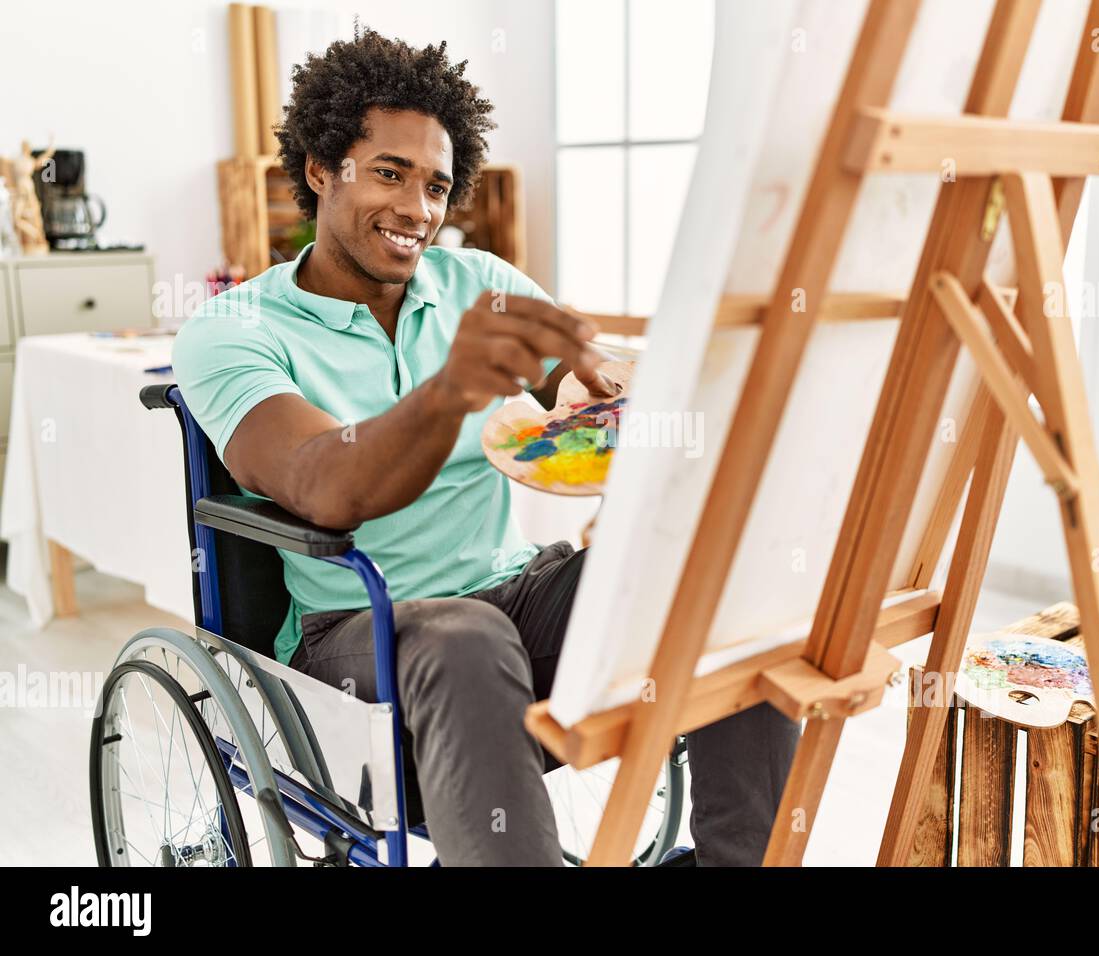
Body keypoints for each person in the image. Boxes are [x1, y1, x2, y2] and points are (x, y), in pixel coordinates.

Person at [173, 26, 798, 866]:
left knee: (711, 578)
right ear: (321, 169)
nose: (418, 211)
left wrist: (605, 400)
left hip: (512, 592)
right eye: (388, 173)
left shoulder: (479, 282)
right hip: (356, 630)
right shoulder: (232, 328)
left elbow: (583, 380)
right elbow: (323, 486)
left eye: (436, 185)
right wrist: (452, 389)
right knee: (466, 637)